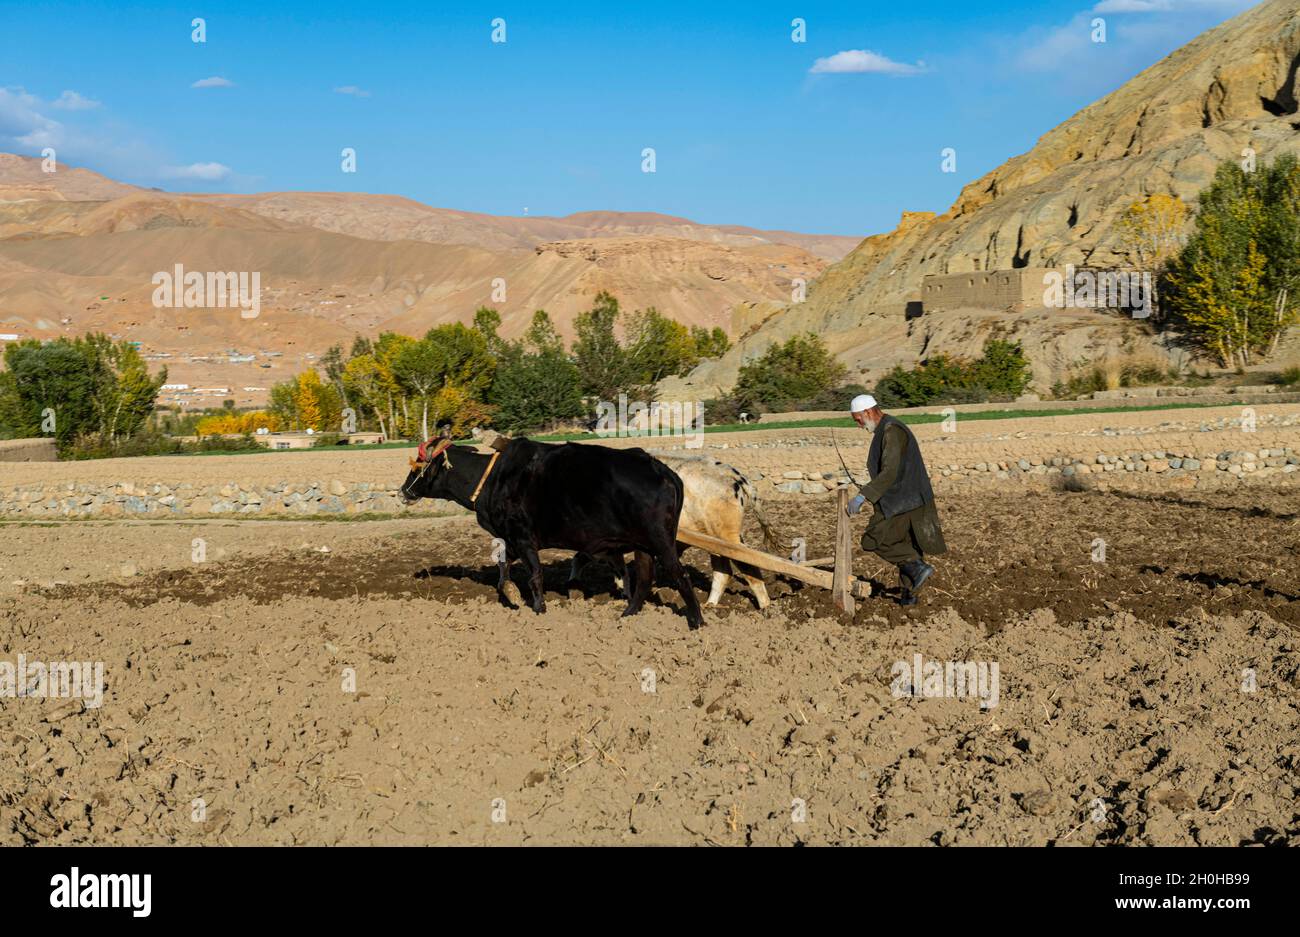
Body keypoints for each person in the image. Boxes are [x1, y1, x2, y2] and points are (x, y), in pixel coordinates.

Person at [845, 394, 946, 605]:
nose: (858, 425)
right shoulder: (886, 429)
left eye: (858, 419)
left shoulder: (891, 430)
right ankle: (909, 596)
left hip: (903, 500)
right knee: (907, 546)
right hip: (908, 498)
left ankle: (917, 568)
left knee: (874, 539)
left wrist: (863, 495)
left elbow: (890, 472)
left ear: (868, 412)